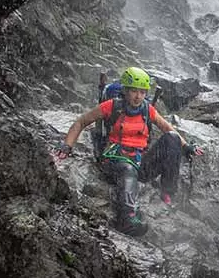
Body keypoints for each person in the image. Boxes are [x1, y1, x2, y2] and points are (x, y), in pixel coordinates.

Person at [54, 66, 203, 236]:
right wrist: (67, 145)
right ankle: (127, 219)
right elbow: (81, 122)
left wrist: (186, 147)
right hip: (113, 160)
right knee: (127, 169)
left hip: (139, 161)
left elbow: (168, 128)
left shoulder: (147, 109)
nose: (138, 96)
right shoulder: (112, 106)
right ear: (125, 90)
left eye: (142, 92)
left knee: (172, 138)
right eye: (134, 91)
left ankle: (167, 191)